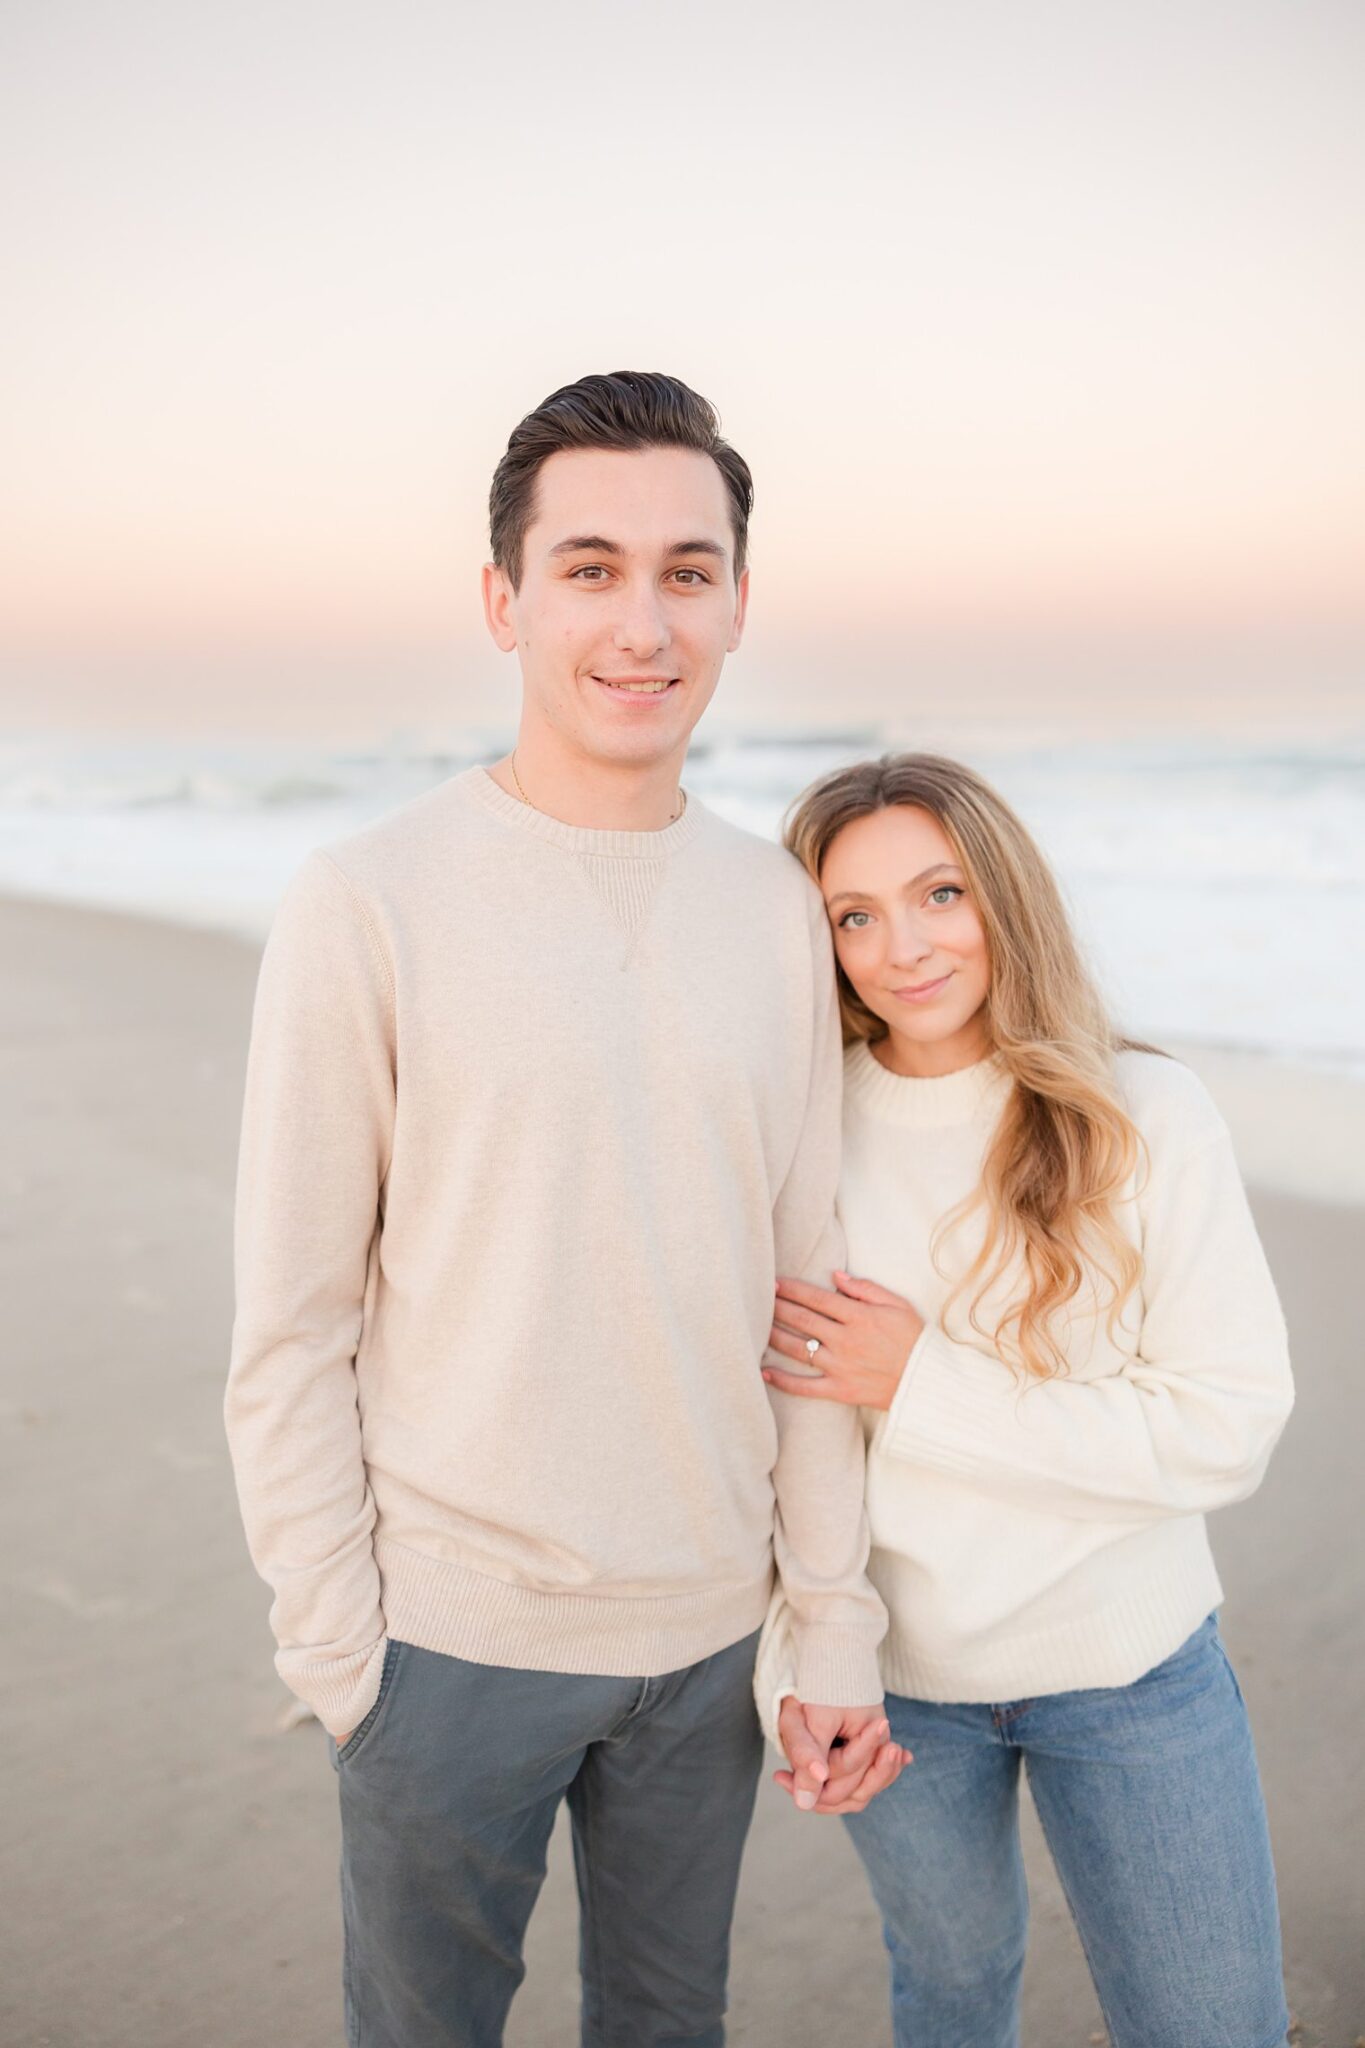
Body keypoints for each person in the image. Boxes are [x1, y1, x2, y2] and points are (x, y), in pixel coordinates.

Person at [223, 371, 900, 2048]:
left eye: (686, 569)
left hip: (707, 1644)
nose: (640, 619)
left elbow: (805, 1295)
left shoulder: (771, 908)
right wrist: (342, 1658)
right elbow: (293, 1324)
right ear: (503, 599)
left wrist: (828, 1623)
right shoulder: (367, 902)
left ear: (739, 601)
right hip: (447, 1649)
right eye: (589, 566)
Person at [756, 753, 1294, 2048]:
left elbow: (1228, 1422)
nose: (903, 948)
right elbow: (784, 1434)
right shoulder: (802, 1134)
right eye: (854, 915)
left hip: (1131, 1672)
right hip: (900, 1690)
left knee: (1206, 2026)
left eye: (940, 893)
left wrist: (923, 1383)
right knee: (946, 1999)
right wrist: (797, 1663)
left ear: (1003, 895)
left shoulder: (1142, 1113)